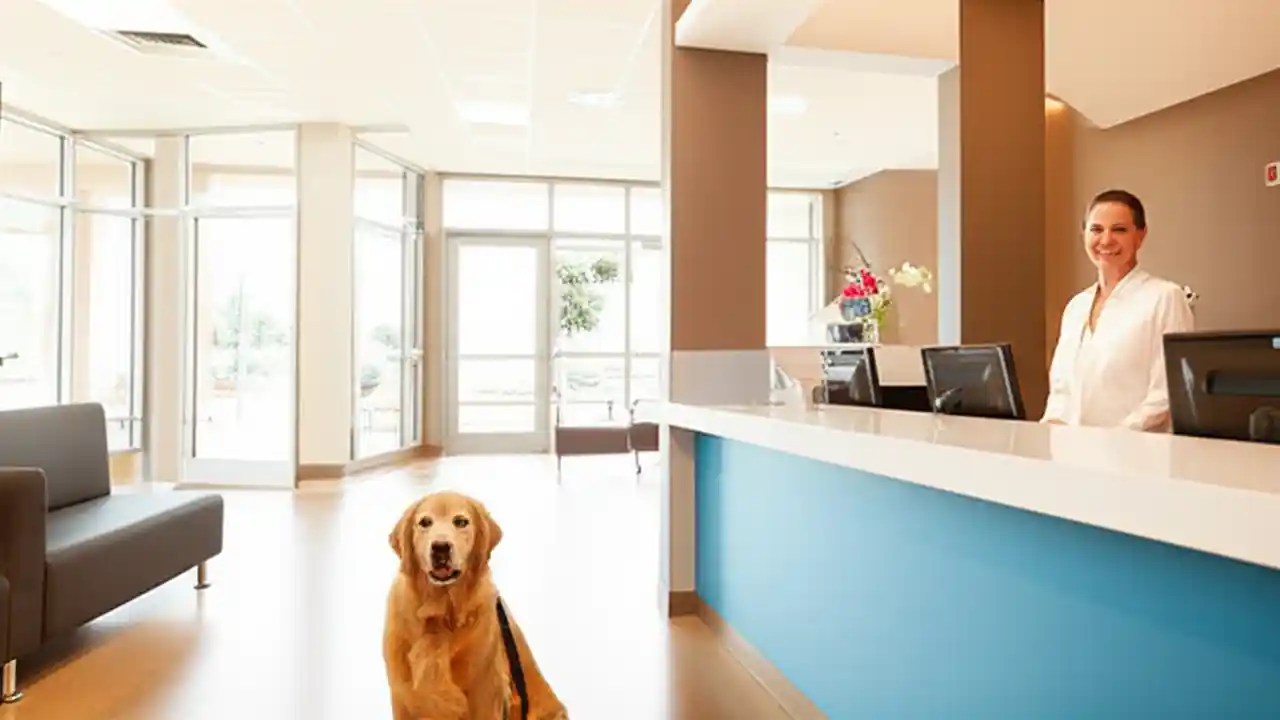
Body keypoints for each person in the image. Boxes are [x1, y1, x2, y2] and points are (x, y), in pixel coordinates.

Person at [1042, 189, 1194, 431]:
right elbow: (1060, 393)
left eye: (1119, 230)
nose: (1106, 240)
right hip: (1072, 449)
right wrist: (1047, 435)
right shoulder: (1076, 307)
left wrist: (1114, 439)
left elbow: (1166, 393)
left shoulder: (1165, 297)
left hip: (1135, 449)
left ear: (1140, 236)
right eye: (1096, 229)